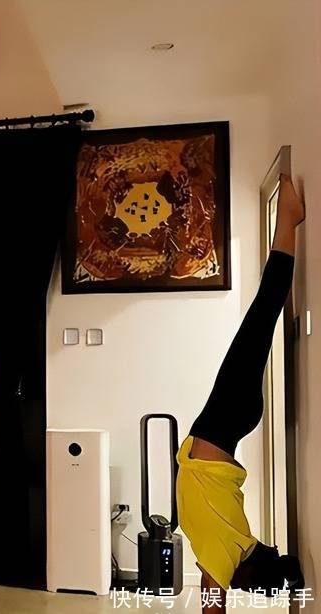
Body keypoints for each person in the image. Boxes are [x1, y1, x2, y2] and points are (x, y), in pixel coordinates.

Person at [176, 174, 305, 613]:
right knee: (264, 310)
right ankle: (289, 220)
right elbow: (213, 605)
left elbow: (214, 592)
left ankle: (288, 221)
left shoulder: (230, 549)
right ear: (240, 577)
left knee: (262, 315)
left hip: (227, 424)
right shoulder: (222, 555)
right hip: (224, 423)